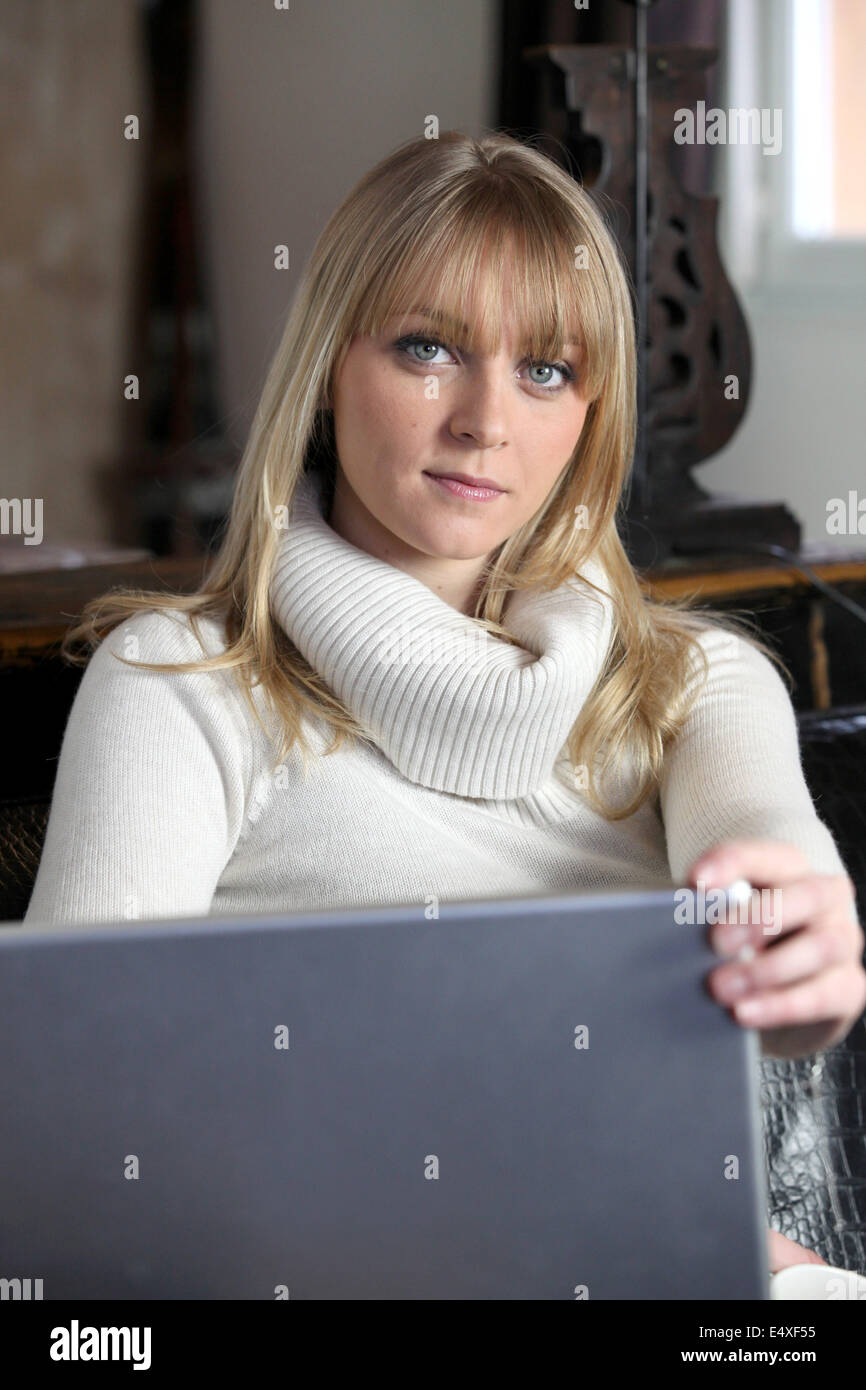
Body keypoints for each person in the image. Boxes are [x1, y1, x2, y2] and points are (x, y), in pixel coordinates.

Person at [24, 130, 866, 1291]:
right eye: (427, 348)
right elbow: (78, 1131)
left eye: (546, 370)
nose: (485, 419)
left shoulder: (697, 684)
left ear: (590, 412)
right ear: (329, 362)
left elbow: (768, 862)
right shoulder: (179, 684)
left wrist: (793, 939)